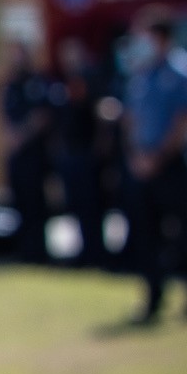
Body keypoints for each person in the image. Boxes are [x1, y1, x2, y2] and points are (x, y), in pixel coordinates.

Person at [121, 7, 187, 323]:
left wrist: (157, 158)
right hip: (143, 163)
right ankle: (154, 297)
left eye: (145, 35)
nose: (139, 41)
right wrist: (135, 156)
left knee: (184, 231)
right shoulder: (140, 71)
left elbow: (183, 121)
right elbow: (131, 117)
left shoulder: (182, 70)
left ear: (161, 37)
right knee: (146, 234)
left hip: (171, 163)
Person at [50, 38, 108, 269]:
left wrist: (99, 148)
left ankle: (98, 253)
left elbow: (100, 117)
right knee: (74, 206)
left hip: (86, 152)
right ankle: (83, 252)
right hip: (69, 153)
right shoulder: (61, 82)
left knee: (91, 206)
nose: (68, 59)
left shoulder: (90, 79)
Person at [0, 41, 54, 264]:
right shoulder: (10, 85)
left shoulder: (36, 82)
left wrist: (21, 135)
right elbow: (2, 115)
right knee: (19, 202)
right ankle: (24, 250)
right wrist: (10, 137)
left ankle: (39, 251)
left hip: (33, 153)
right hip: (15, 154)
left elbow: (42, 115)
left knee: (36, 204)